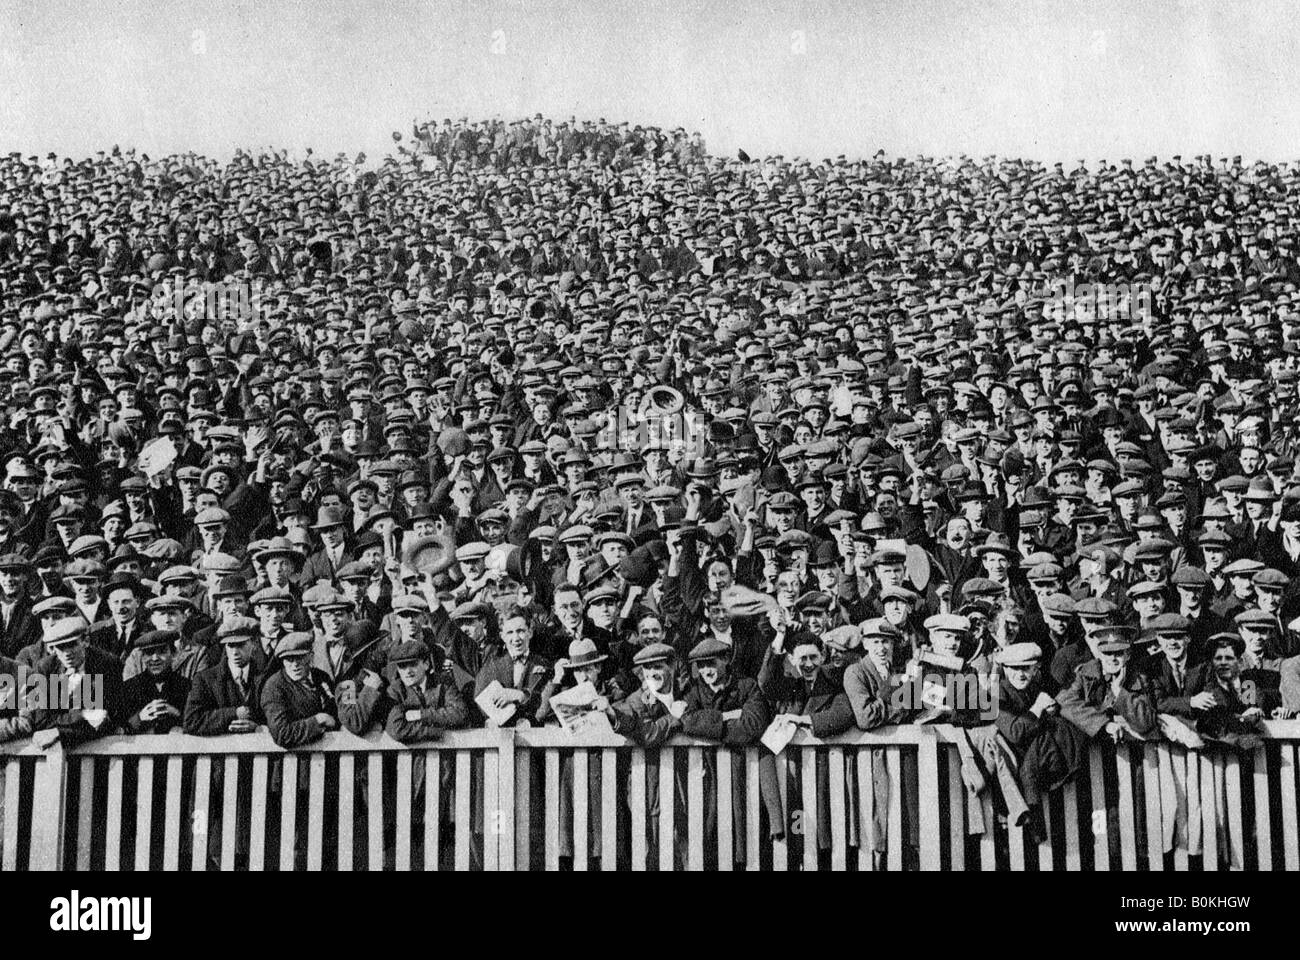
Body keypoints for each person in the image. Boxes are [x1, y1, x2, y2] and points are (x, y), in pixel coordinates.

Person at [260, 631, 339, 748]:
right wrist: (319, 720)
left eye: (300, 658)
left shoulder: (321, 677)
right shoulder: (274, 686)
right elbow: (282, 734)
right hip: (293, 760)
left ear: (311, 656)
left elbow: (335, 712)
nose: (295, 664)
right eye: (289, 659)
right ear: (282, 661)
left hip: (329, 751)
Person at [120, 630, 189, 733]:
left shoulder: (187, 686)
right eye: (149, 653)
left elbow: (197, 721)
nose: (155, 658)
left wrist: (177, 713)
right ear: (142, 657)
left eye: (162, 652)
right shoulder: (129, 687)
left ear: (173, 654)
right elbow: (119, 728)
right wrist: (140, 717)